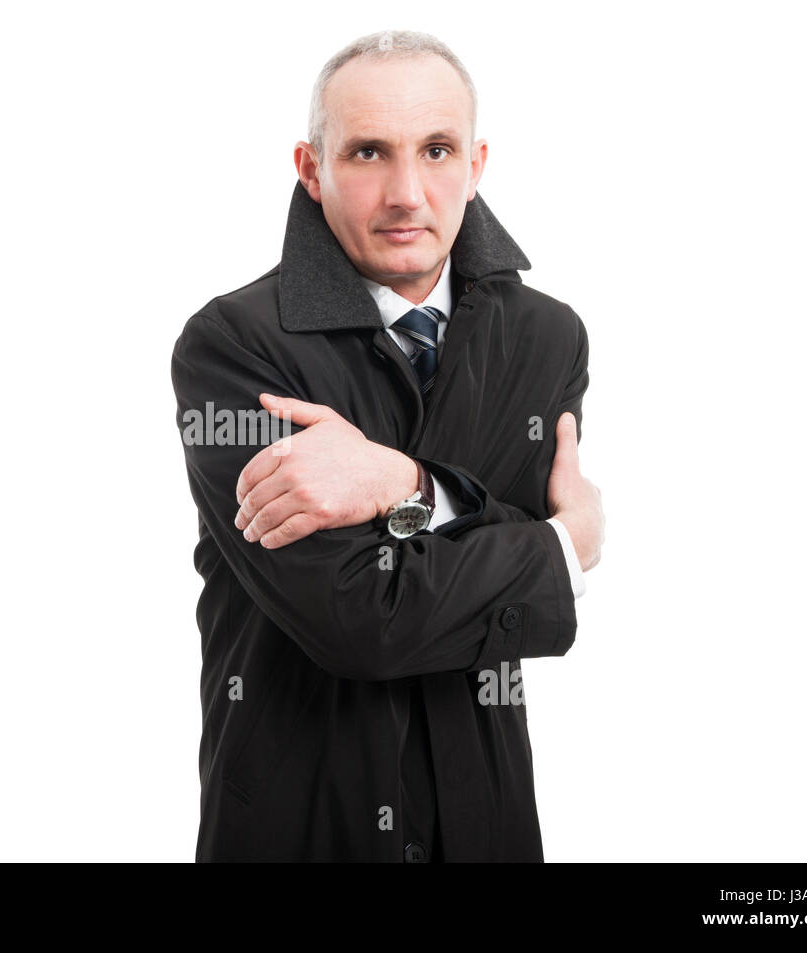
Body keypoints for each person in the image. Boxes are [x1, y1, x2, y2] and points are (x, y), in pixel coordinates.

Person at [170, 29, 605, 862]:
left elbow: (488, 588)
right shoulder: (232, 346)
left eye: (436, 150)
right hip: (296, 825)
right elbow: (359, 621)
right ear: (311, 167)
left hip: (488, 820)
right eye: (369, 152)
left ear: (476, 165)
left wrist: (400, 482)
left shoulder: (549, 337)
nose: (408, 192)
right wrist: (558, 548)